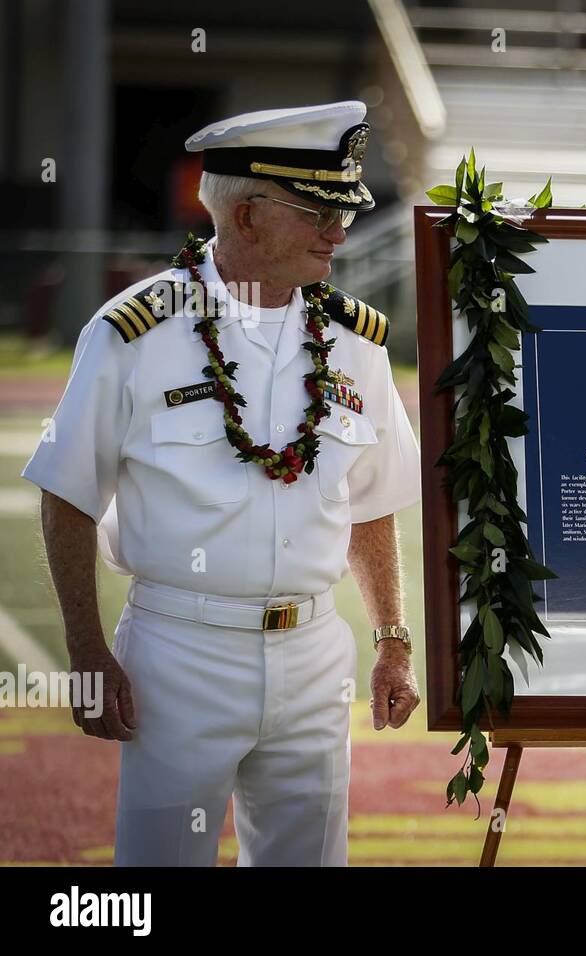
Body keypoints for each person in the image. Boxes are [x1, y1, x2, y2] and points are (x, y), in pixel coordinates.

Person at [22, 101, 423, 866]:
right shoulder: (132, 332)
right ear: (246, 218)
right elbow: (68, 491)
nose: (339, 233)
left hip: (313, 657)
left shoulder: (354, 341)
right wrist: (85, 648)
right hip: (180, 655)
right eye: (317, 213)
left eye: (342, 210)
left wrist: (393, 639)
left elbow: (370, 502)